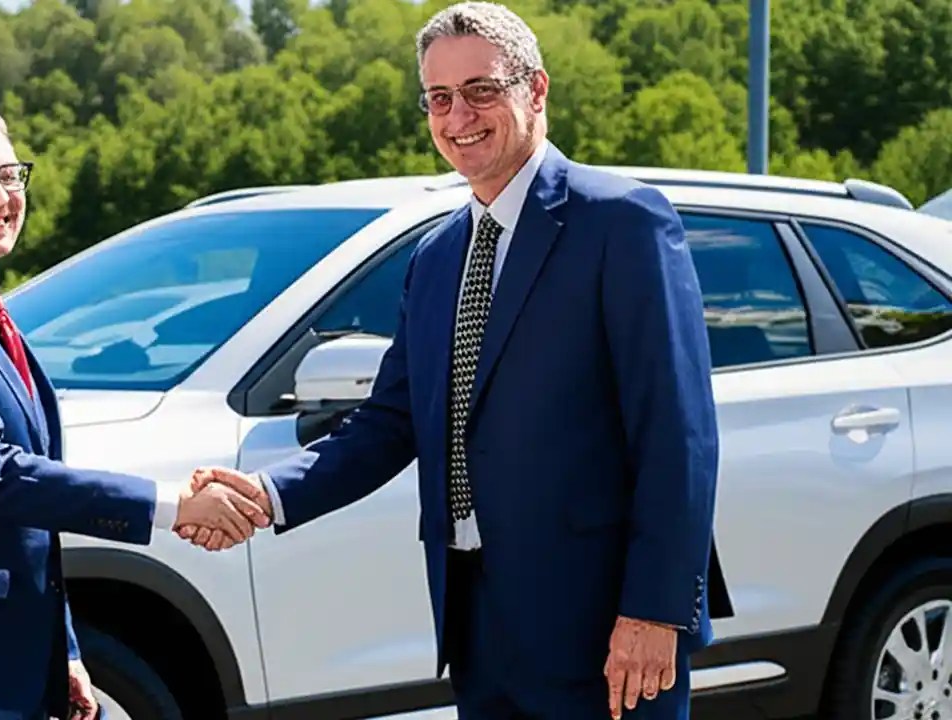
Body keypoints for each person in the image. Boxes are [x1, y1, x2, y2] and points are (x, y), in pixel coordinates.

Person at [182, 3, 720, 718]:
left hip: (604, 626)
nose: (457, 115)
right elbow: (390, 422)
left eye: (480, 90)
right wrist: (266, 496)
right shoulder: (436, 257)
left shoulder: (621, 223)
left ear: (537, 90)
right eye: (439, 97)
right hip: (475, 620)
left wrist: (656, 612)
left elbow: (677, 434)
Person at [0, 101, 267, 720]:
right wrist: (173, 506)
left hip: (18, 674)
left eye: (10, 175)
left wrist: (60, 650)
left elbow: (31, 523)